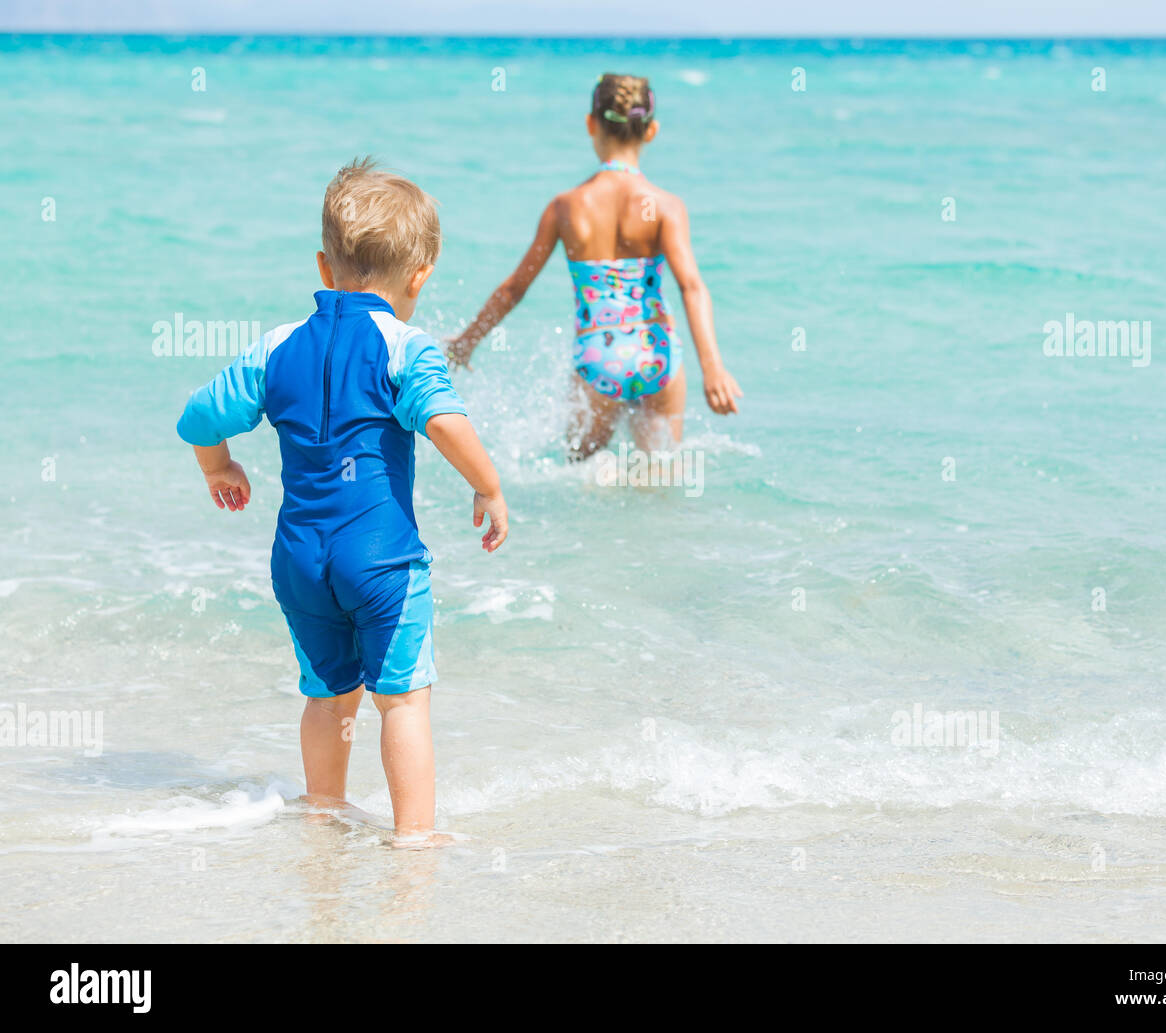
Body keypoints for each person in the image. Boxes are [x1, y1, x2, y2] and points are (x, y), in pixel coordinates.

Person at [175, 158, 508, 845]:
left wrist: (220, 467)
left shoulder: (277, 346)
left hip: (300, 560)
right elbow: (445, 422)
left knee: (328, 697)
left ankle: (323, 813)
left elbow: (198, 415)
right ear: (418, 278)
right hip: (380, 559)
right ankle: (414, 836)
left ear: (325, 268)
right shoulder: (405, 346)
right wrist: (489, 485)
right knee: (402, 702)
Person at [446, 72, 742, 459]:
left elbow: (514, 289)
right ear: (651, 131)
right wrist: (713, 368)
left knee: (579, 470)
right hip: (657, 356)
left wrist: (468, 342)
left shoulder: (567, 207)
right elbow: (692, 287)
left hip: (599, 358)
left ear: (591, 124)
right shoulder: (665, 206)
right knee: (662, 477)